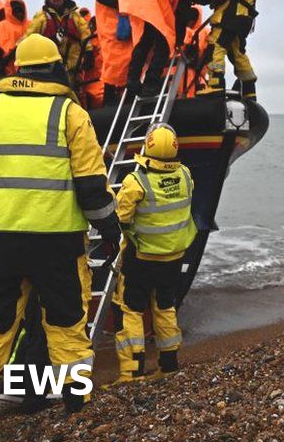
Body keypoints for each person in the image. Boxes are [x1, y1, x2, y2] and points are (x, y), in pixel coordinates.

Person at [0, 34, 121, 440]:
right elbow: (92, 187)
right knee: (65, 323)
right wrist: (110, 231)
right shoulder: (70, 114)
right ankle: (78, 408)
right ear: (56, 67)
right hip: (55, 241)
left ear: (19, 69)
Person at [112, 123, 196, 383]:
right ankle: (169, 366)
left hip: (141, 258)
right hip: (173, 257)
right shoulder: (185, 175)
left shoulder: (136, 181)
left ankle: (132, 372)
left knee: (130, 309)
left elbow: (122, 218)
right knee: (165, 306)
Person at [116, 0, 210, 101]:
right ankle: (151, 84)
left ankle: (132, 80)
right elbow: (182, 5)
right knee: (165, 38)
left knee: (147, 35)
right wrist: (178, 38)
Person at [94, 0, 147, 104]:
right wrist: (121, 4)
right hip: (112, 26)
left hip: (129, 27)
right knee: (113, 66)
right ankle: (108, 104)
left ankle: (126, 102)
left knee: (130, 64)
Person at [25, 0, 92, 90]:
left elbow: (86, 34)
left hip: (73, 71)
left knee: (77, 98)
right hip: (48, 70)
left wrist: (89, 52)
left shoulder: (75, 16)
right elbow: (28, 38)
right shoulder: (41, 17)